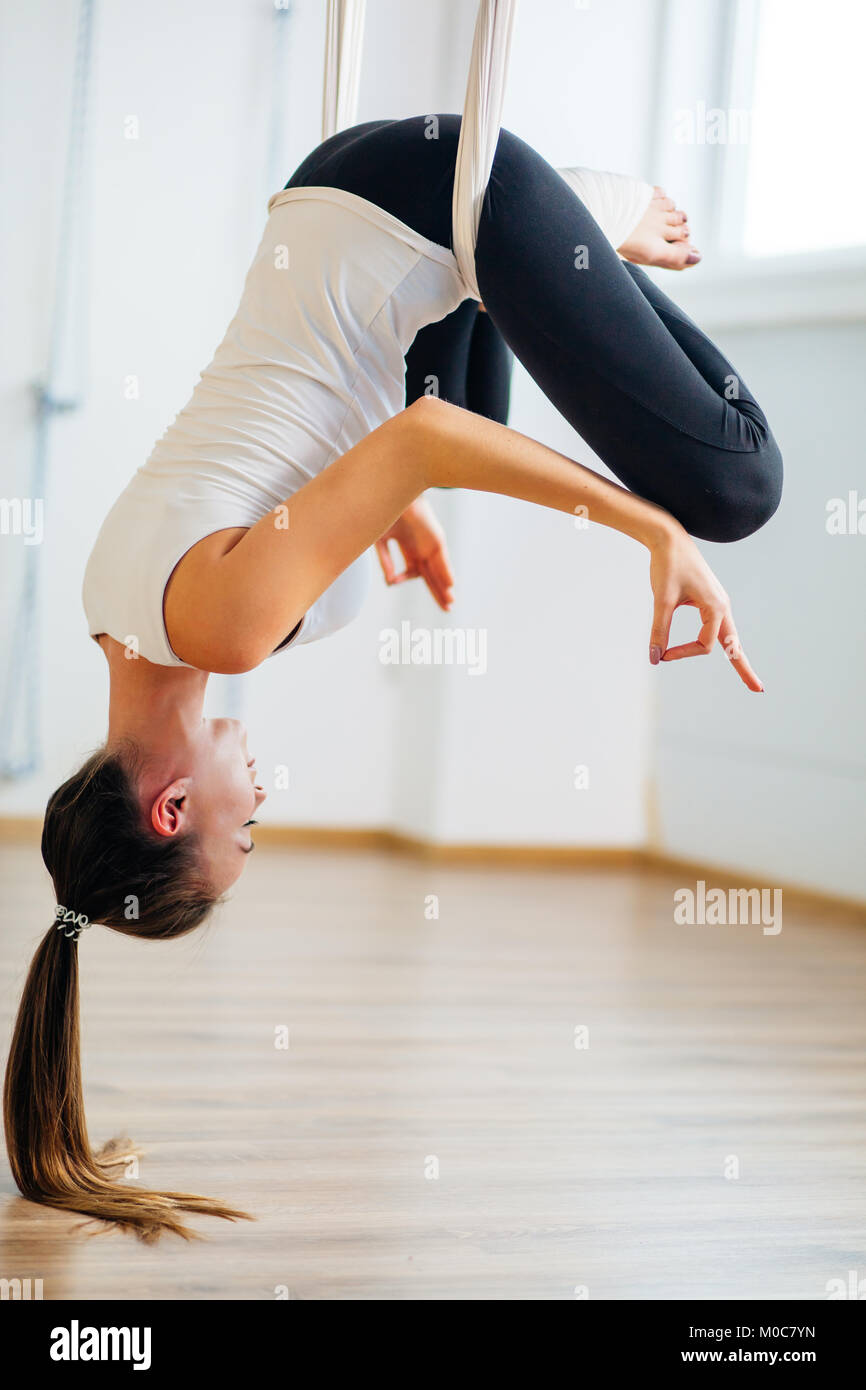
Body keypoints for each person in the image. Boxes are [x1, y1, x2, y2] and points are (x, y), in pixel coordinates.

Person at [3, 116, 782, 1239]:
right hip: (343, 201)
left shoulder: (221, 630)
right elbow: (275, 428)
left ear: (171, 809)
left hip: (417, 198)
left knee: (731, 488)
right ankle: (542, 239)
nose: (263, 802)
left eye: (244, 833)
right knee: (486, 428)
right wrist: (394, 514)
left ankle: (567, 218)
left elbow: (416, 436)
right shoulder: (120, 613)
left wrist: (643, 532)